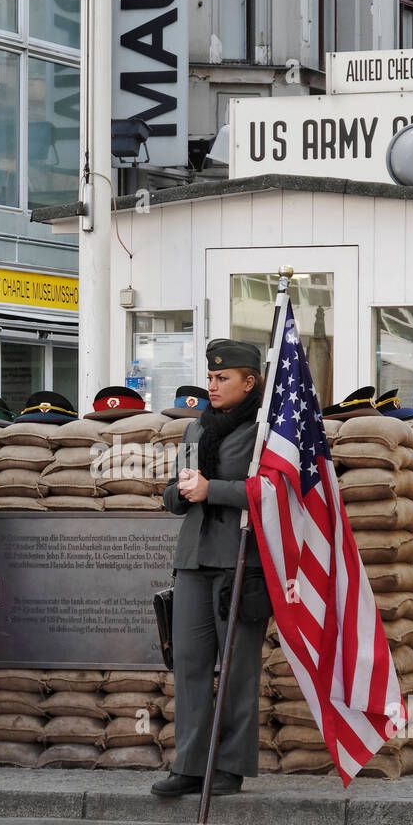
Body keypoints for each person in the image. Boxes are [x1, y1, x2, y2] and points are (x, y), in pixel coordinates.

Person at [152, 340, 271, 797]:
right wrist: (180, 492)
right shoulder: (197, 429)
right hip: (194, 560)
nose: (213, 384)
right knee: (189, 663)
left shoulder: (265, 433)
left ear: (250, 381)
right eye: (211, 377)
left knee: (238, 666)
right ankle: (190, 764)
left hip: (241, 559)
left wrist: (213, 489)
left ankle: (230, 766)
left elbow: (274, 493)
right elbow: (172, 495)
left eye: (223, 378)